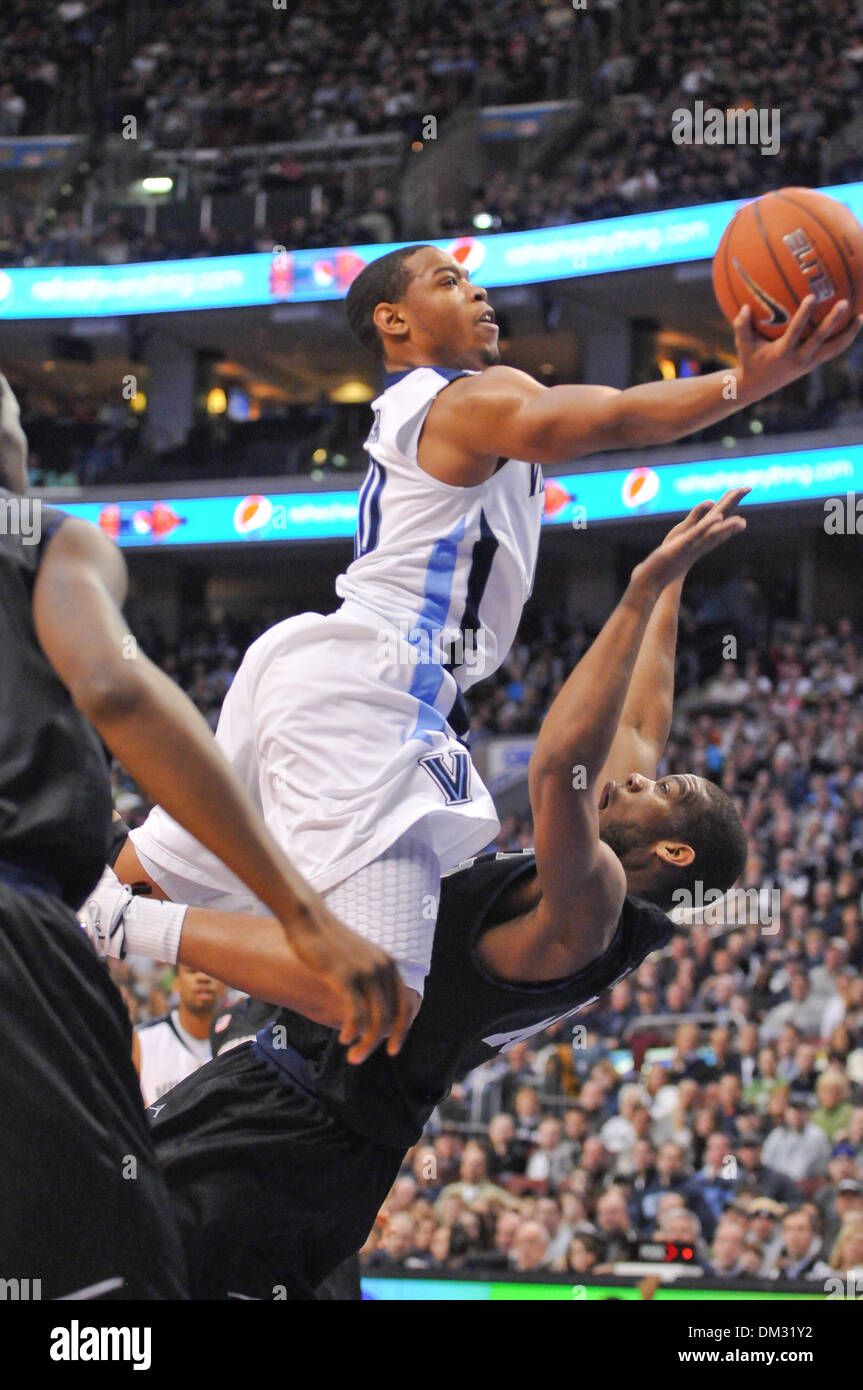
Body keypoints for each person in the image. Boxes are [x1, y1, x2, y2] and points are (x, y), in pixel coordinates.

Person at [116, 245, 859, 1006]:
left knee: (145, 876)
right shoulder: (466, 399)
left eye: (469, 278)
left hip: (331, 665)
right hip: (375, 683)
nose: (477, 291)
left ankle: (66, 903)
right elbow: (610, 416)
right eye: (450, 281)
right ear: (392, 321)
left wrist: (663, 586)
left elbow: (640, 720)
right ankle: (109, 920)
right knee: (376, 991)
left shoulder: (446, 403)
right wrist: (745, 382)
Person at [93, 491, 753, 1297]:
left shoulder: (595, 911)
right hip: (284, 1091)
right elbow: (641, 724)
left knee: (113, 1291)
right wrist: (670, 582)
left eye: (663, 788)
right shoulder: (607, 889)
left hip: (299, 1136)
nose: (640, 773)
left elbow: (558, 770)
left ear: (672, 850)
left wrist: (637, 590)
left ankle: (120, 915)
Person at [0, 377, 406, 1302]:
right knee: (119, 1281)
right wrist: (298, 911)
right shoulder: (45, 539)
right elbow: (113, 688)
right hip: (15, 927)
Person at [134, 965, 225, 1107]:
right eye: (192, 971)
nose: (203, 978)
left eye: (210, 971)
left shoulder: (245, 1039)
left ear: (225, 985)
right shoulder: (142, 1041)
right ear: (176, 984)